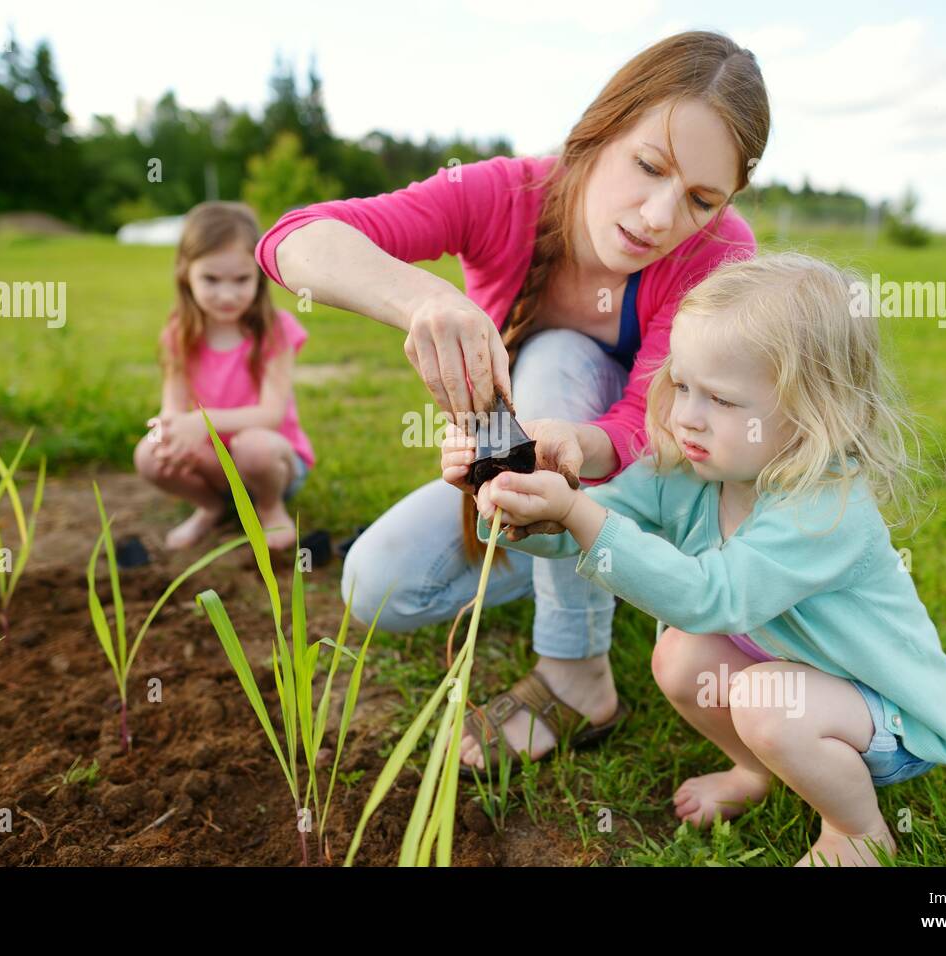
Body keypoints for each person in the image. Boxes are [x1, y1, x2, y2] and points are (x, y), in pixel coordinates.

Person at [256, 32, 771, 768]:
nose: (659, 216)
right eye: (649, 166)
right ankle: (590, 563)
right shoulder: (503, 193)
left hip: (661, 491)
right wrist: (424, 297)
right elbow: (291, 238)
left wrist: (573, 449)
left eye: (699, 198)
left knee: (558, 353)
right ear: (599, 131)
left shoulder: (720, 251)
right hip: (542, 472)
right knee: (379, 588)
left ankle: (576, 672)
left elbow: (647, 424)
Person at [450, 252, 946, 866]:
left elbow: (710, 596)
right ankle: (755, 770)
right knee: (680, 656)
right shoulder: (695, 471)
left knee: (762, 699)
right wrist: (520, 508)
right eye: (682, 385)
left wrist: (578, 511)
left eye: (721, 400)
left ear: (814, 416)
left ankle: (856, 830)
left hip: (884, 714)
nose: (686, 416)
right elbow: (579, 531)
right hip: (787, 677)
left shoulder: (824, 510)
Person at [135, 201, 315, 551]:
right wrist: (168, 428)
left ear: (259, 274)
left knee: (252, 445)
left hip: (273, 464)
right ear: (186, 273)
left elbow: (271, 415)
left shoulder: (275, 331)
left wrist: (202, 422)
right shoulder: (178, 334)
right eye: (212, 279)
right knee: (149, 452)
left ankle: (269, 507)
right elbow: (171, 407)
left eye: (241, 279)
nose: (228, 294)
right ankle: (211, 507)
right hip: (213, 465)